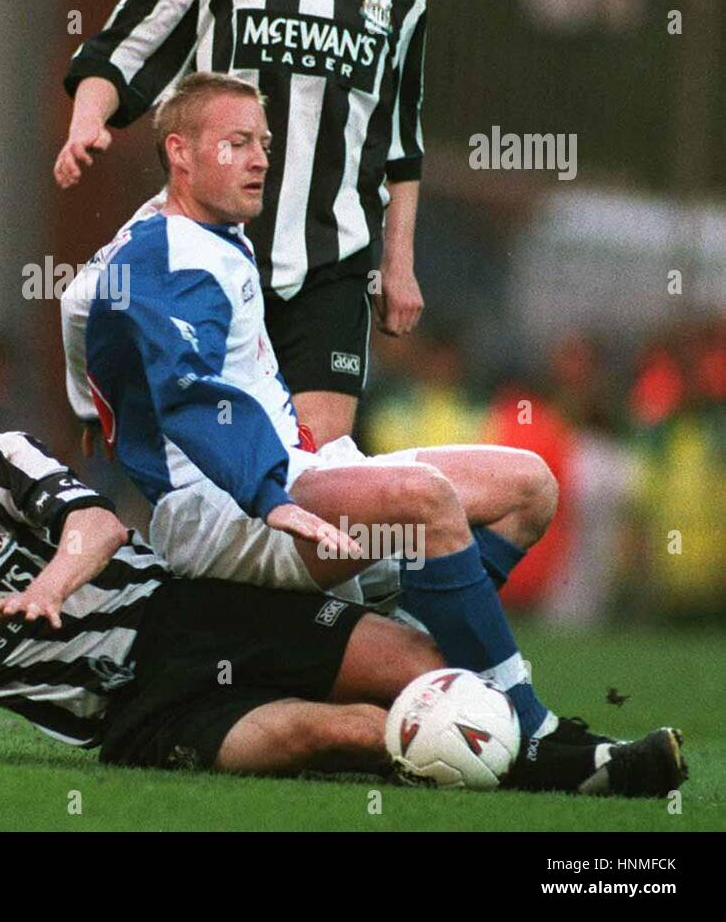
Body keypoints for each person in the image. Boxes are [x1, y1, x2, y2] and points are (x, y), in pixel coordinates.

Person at [60, 71, 687, 794]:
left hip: (297, 471)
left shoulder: (167, 237)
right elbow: (191, 393)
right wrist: (271, 495)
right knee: (424, 500)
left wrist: (90, 408)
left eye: (263, 142)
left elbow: (79, 305)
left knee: (529, 488)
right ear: (179, 151)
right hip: (231, 511)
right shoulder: (169, 258)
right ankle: (536, 736)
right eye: (238, 143)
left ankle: (427, 668)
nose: (262, 158)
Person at [0, 381, 681, 794]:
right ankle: (584, 768)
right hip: (138, 717)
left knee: (415, 662)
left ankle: (518, 736)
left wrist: (51, 582)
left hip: (191, 607)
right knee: (325, 727)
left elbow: (93, 521)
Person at [57, 0, 426, 447]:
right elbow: (117, 52)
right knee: (208, 461)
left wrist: (397, 264)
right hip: (213, 249)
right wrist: (89, 120)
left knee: (312, 469)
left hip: (331, 266)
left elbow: (400, 147)